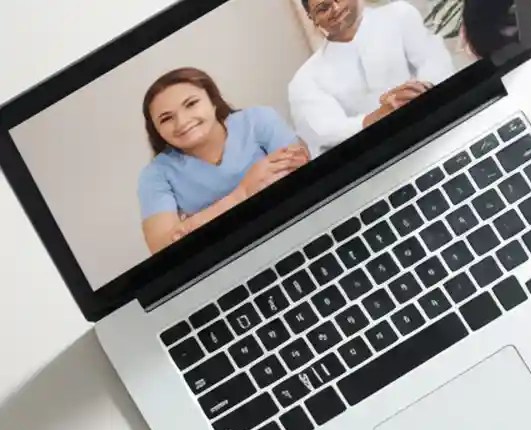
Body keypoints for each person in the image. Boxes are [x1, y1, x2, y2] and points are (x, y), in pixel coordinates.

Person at [138, 68, 308, 255]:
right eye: (166, 118)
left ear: (213, 101)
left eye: (191, 104)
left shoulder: (258, 120)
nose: (182, 122)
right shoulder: (155, 174)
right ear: (157, 130)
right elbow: (164, 247)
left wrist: (195, 222)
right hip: (224, 256)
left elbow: (302, 174)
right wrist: (242, 193)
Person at [289, 0, 457, 156]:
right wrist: (378, 116)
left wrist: (418, 92)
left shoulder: (400, 15)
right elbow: (324, 133)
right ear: (313, 18)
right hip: (376, 160)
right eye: (323, 8)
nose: (336, 9)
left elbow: (436, 62)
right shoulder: (305, 80)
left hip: (439, 128)